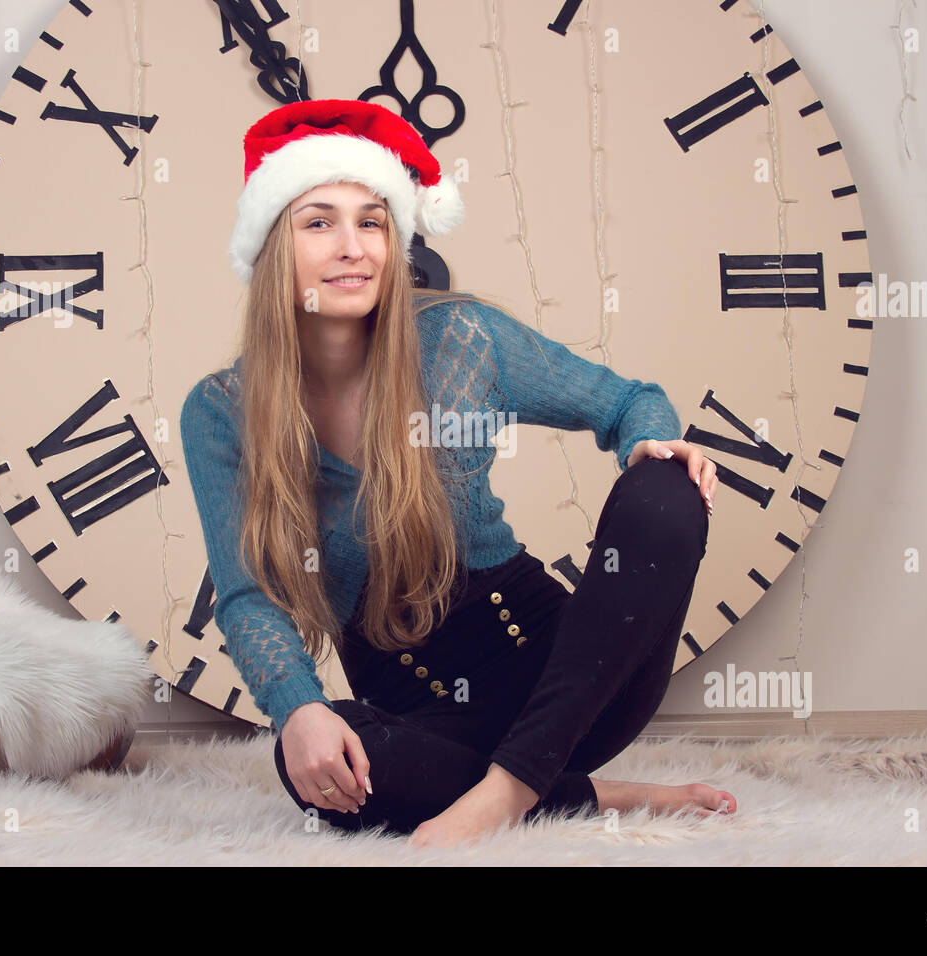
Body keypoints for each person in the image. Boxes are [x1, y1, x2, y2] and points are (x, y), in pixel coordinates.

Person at [181, 99, 736, 850]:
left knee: (667, 489)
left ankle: (505, 795)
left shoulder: (461, 339)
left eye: (372, 222)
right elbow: (246, 597)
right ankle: (584, 795)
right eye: (319, 223)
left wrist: (649, 441)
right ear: (274, 245)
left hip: (571, 688)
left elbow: (633, 402)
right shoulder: (219, 410)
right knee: (313, 756)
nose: (352, 247)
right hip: (420, 716)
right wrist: (298, 712)